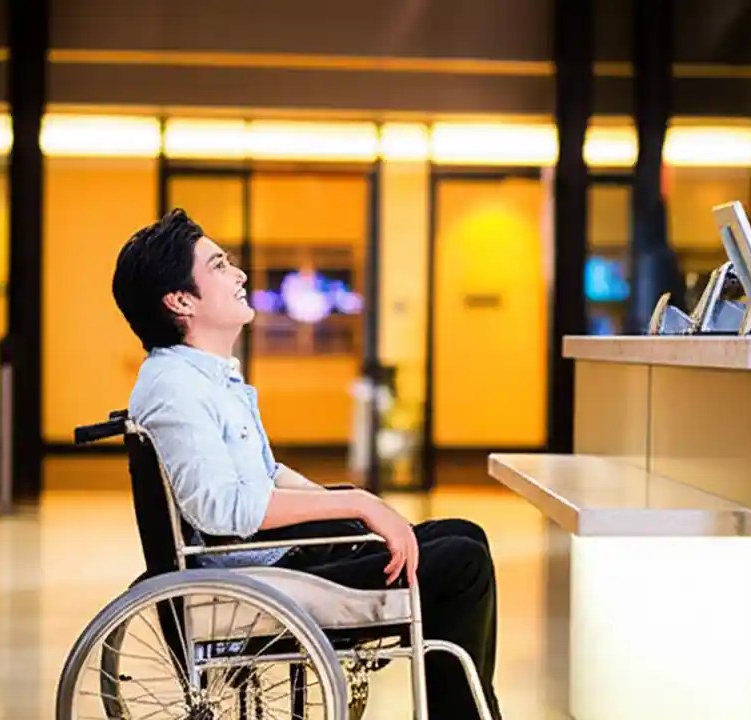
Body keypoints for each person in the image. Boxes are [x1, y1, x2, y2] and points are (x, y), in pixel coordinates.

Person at [111, 208, 502, 720]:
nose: (240, 275)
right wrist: (356, 503)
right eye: (220, 265)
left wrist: (351, 506)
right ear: (181, 300)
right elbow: (221, 509)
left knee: (465, 534)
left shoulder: (203, 376)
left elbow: (265, 474)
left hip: (276, 559)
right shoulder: (176, 387)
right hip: (259, 580)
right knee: (461, 565)